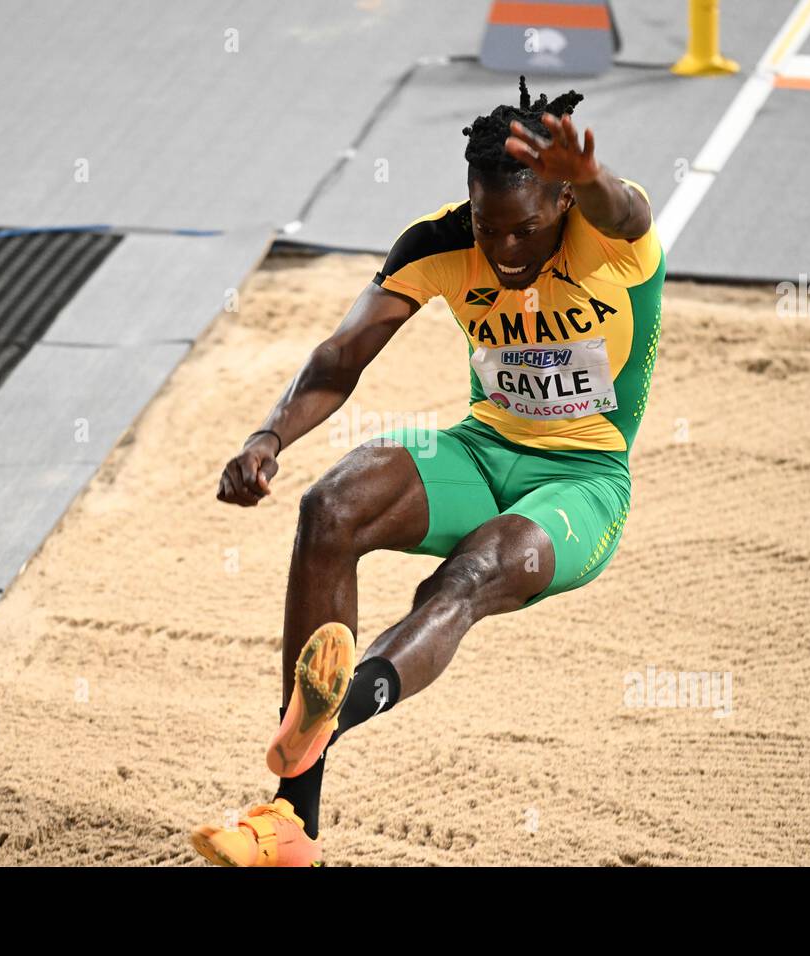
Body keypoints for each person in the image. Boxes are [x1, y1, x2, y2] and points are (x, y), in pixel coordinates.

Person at [191, 77, 665, 866]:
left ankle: (326, 721)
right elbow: (341, 359)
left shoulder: (610, 234)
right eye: (486, 225)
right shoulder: (440, 245)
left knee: (473, 571)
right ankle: (290, 828)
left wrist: (596, 179)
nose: (502, 251)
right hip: (484, 450)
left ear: (562, 206)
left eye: (522, 230)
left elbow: (628, 210)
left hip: (583, 481)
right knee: (332, 505)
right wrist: (268, 438)